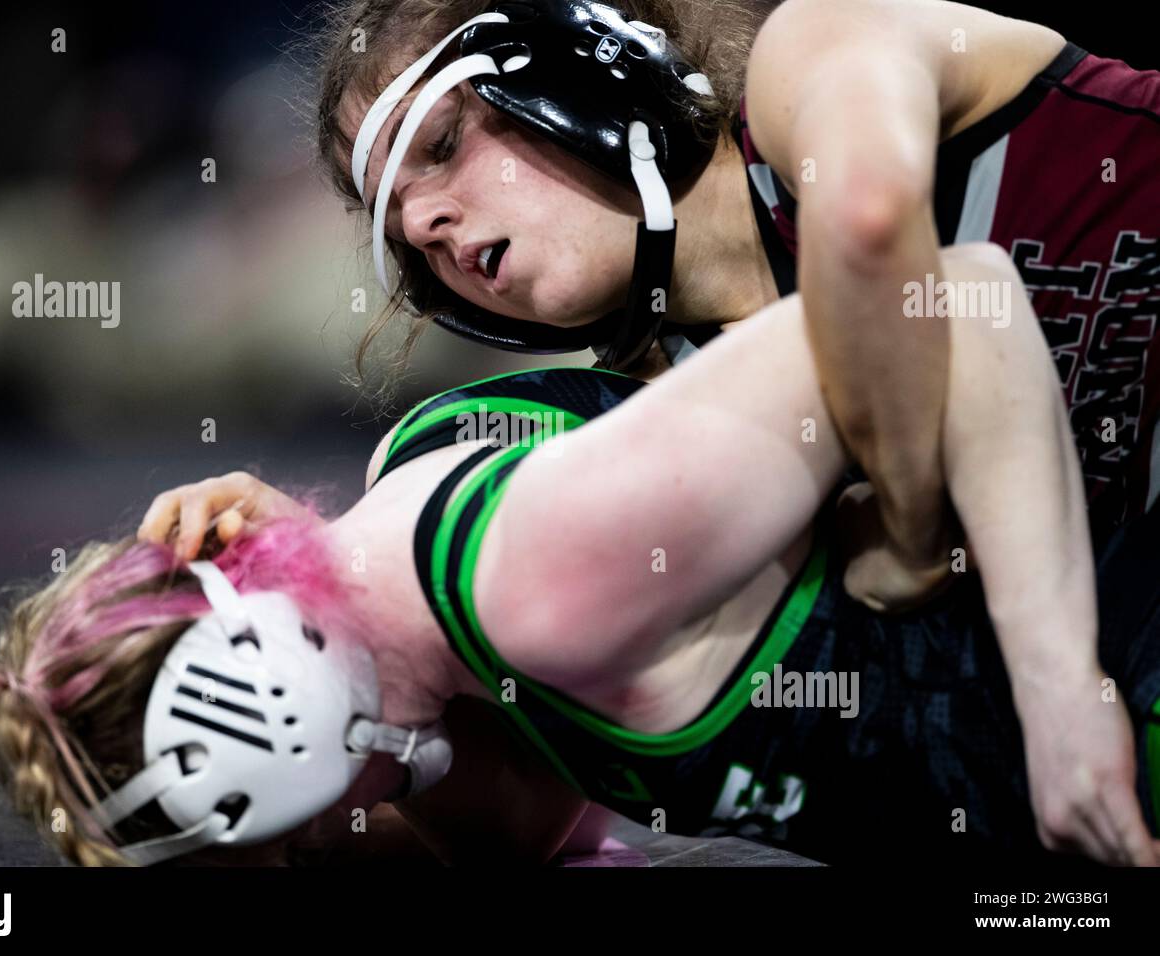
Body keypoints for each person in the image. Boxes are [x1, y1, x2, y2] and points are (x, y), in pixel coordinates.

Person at [0, 245, 1160, 866]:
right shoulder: (433, 551)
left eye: (300, 841)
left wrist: (1063, 702)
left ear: (287, 717)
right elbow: (519, 840)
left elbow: (954, 300)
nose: (335, 846)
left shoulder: (537, 581)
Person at [315, 0, 1160, 591]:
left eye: (443, 142)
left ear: (580, 71)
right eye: (397, 227)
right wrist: (301, 577)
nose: (423, 222)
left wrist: (910, 533)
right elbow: (534, 765)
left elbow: (868, 222)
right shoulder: (676, 414)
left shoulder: (812, 53)